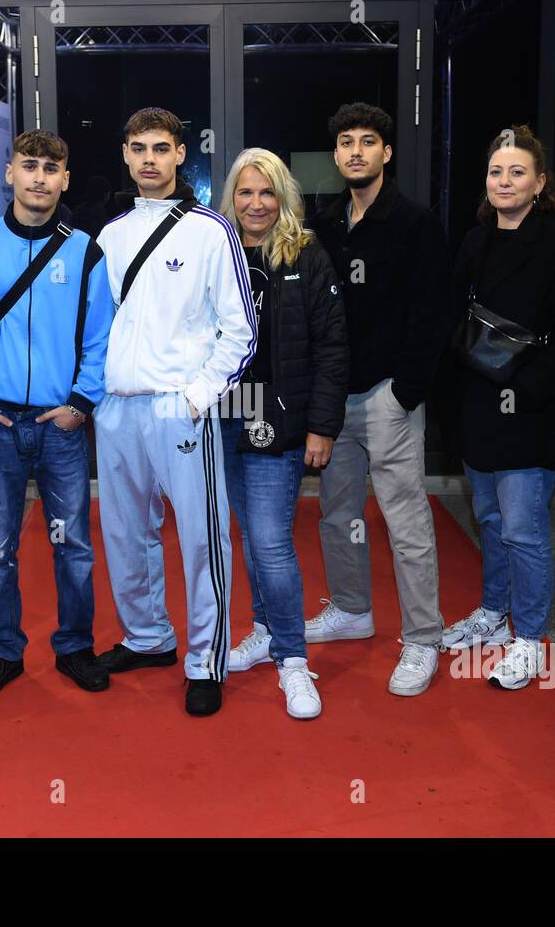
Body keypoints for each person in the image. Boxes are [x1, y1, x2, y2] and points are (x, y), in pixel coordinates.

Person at [93, 107, 256, 717]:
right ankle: (148, 638)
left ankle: (205, 660)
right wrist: (95, 396)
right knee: (125, 536)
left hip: (179, 409)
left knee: (200, 537)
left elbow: (240, 331)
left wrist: (197, 397)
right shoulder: (108, 236)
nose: (149, 160)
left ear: (181, 154)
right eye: (138, 148)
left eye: (162, 148)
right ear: (126, 155)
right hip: (117, 407)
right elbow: (97, 326)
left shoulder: (211, 231)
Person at [0, 129, 114, 699]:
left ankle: (75, 647)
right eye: (29, 165)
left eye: (51, 169)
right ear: (9, 173)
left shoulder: (85, 249)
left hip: (61, 428)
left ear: (65, 178)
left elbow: (100, 337)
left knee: (76, 548)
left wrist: (81, 404)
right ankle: (2, 652)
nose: (40, 177)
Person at [440, 125, 555, 689]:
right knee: (489, 521)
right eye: (495, 172)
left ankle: (529, 639)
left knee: (524, 531)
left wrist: (529, 388)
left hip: (532, 412)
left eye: (516, 172)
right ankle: (492, 616)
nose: (504, 182)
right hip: (480, 408)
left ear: (539, 183)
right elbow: (454, 321)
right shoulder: (475, 241)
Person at [307, 102, 452, 697]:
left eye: (369, 141)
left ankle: (423, 639)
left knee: (405, 519)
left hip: (389, 397)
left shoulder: (416, 224)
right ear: (336, 154)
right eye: (346, 142)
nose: (357, 151)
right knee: (337, 514)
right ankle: (351, 609)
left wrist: (405, 391)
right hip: (333, 402)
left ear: (386, 153)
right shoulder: (324, 224)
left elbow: (432, 316)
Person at [218, 148, 348, 719]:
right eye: (245, 192)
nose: (255, 203)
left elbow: (332, 347)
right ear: (232, 198)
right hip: (223, 415)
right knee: (249, 535)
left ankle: (294, 659)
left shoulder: (307, 253)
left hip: (279, 414)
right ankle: (266, 631)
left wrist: (322, 425)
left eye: (266, 192)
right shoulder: (215, 252)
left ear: (283, 197)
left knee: (271, 540)